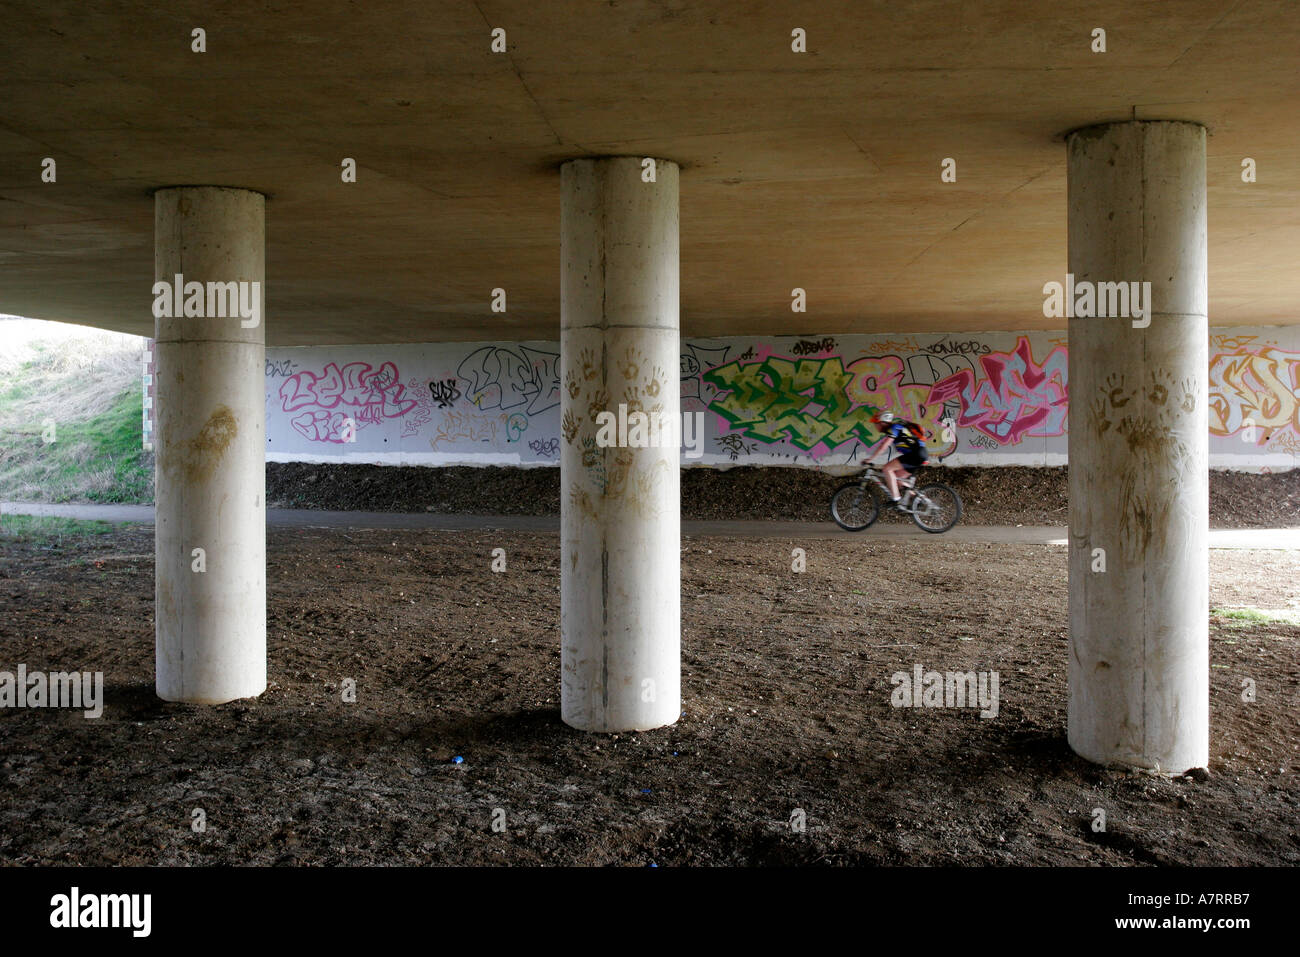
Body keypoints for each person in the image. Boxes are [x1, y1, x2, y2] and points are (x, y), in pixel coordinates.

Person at [871, 410, 930, 508]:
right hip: (919, 455)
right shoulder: (896, 428)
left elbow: (884, 446)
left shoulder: (894, 428)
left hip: (916, 454)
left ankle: (896, 500)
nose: (875, 426)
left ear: (882, 422)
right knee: (897, 479)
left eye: (876, 423)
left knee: (887, 469)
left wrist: (870, 459)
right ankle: (920, 501)